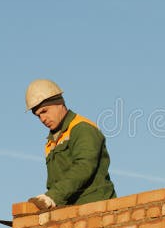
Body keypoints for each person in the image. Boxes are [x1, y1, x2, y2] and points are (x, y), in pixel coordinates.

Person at [25, 79, 116, 210]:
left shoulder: (82, 128)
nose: (42, 119)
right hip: (70, 211)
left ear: (59, 103)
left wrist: (52, 196)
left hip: (97, 206)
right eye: (38, 116)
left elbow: (84, 166)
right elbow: (53, 183)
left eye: (44, 111)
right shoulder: (51, 142)